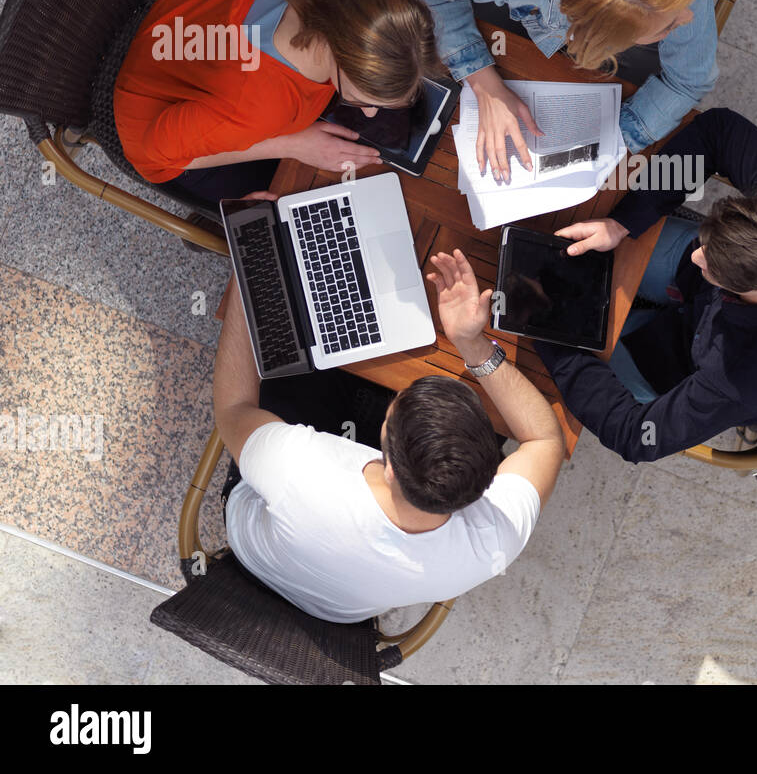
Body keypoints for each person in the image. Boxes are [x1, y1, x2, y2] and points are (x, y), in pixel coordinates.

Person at [213, 246, 564, 623]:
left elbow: (233, 409)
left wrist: (245, 269)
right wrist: (471, 344)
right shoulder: (492, 542)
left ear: (390, 467)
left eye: (394, 409)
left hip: (271, 514)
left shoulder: (300, 469)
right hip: (339, 599)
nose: (398, 396)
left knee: (303, 341)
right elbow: (544, 440)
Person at [532, 108, 757, 464]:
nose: (697, 257)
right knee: (575, 244)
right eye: (710, 242)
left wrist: (548, 332)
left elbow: (635, 436)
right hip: (714, 307)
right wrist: (623, 223)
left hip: (681, 358)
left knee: (550, 353)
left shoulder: (739, 381)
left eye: (715, 265)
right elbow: (718, 130)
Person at [114, 0, 436, 206]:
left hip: (175, 29)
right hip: (150, 112)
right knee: (295, 205)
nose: (368, 112)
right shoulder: (259, 106)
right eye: (368, 99)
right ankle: (210, 224)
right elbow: (149, 154)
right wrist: (290, 145)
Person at [398, 0, 717, 182]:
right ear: (594, 39)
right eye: (668, 27)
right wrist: (485, 85)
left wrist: (614, 141)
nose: (689, 18)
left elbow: (690, 80)